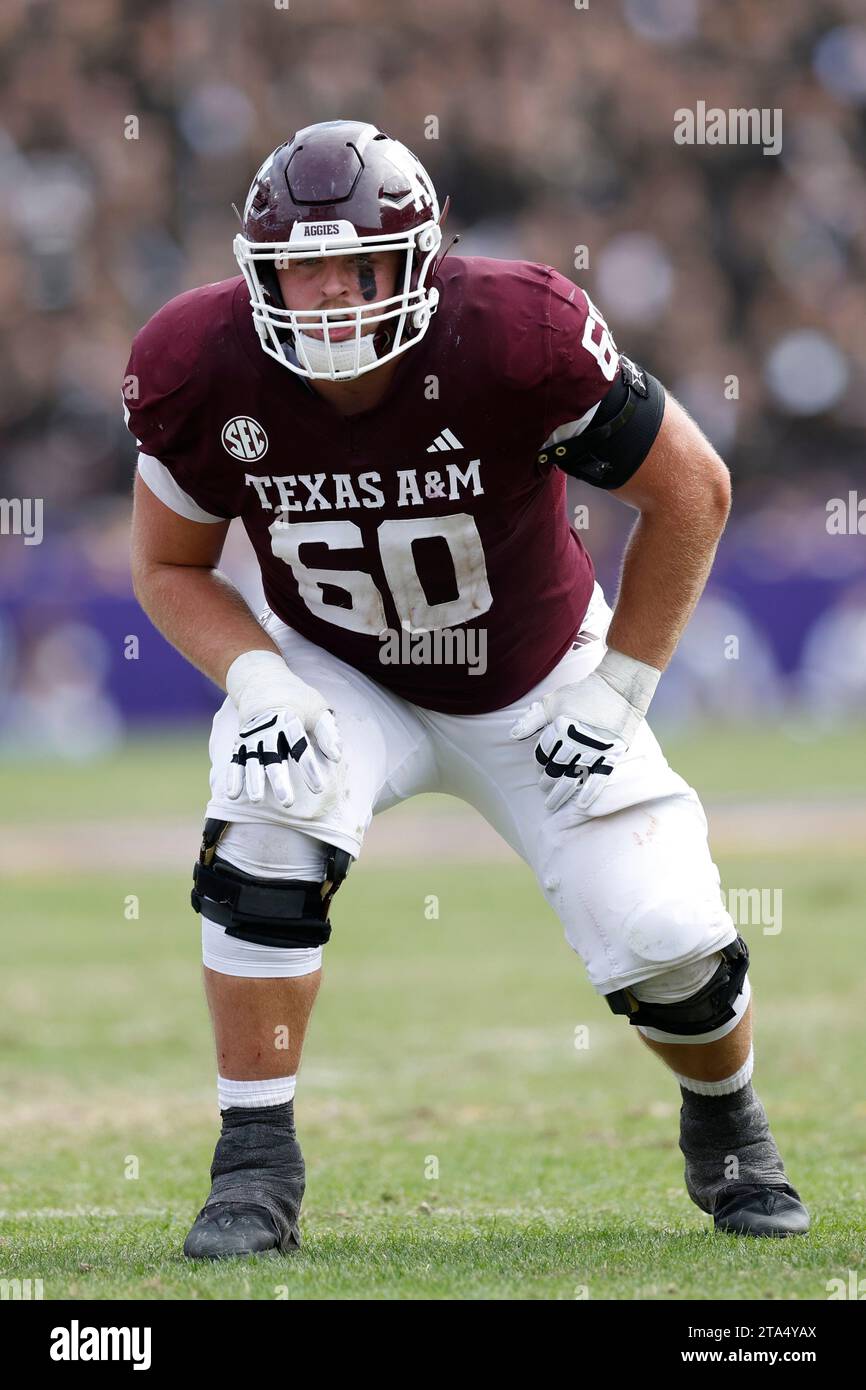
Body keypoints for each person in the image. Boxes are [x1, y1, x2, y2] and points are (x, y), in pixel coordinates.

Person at [125, 119, 809, 1259]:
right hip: (336, 667)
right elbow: (167, 562)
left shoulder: (514, 333)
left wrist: (619, 689)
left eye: (355, 266)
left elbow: (690, 489)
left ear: (420, 264)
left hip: (534, 672)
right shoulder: (203, 361)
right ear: (257, 273)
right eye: (301, 268)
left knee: (666, 939)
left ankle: (727, 1122)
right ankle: (252, 1162)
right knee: (265, 819)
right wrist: (253, 676)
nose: (330, 297)